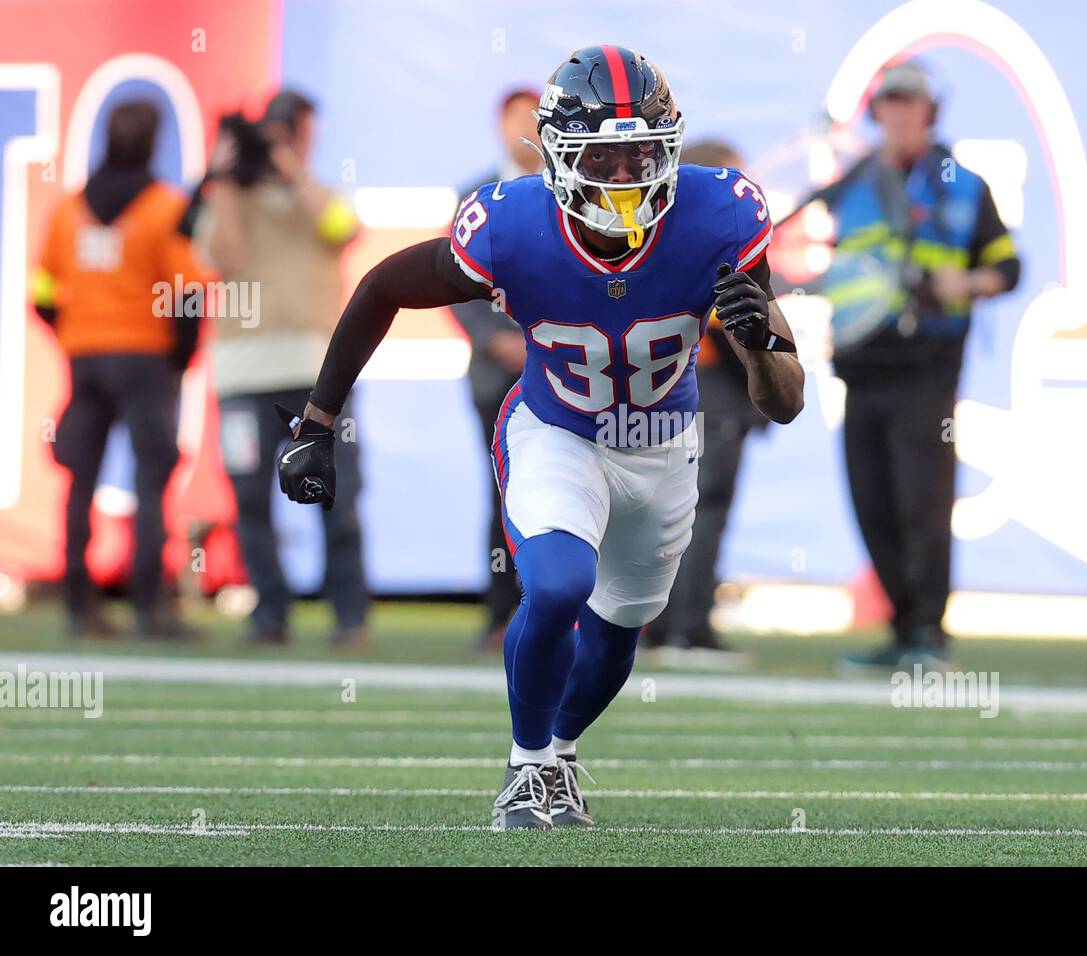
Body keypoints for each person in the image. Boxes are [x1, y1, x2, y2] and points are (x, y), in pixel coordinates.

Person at [276, 46, 805, 829]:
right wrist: (317, 421)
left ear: (669, 147)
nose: (624, 176)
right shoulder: (514, 225)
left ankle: (558, 753)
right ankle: (526, 770)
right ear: (559, 154)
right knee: (556, 583)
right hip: (557, 430)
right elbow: (384, 284)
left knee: (621, 627)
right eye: (604, 155)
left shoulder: (720, 212)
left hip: (662, 444)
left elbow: (785, 403)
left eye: (641, 154)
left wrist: (761, 340)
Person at [826, 62, 1021, 669]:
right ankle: (901, 625)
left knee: (922, 501)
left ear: (929, 111)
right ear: (877, 112)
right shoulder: (854, 180)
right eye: (890, 103)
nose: (901, 113)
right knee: (870, 498)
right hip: (860, 364)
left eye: (911, 103)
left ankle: (929, 634)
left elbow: (1009, 268)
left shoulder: (963, 183)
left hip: (928, 365)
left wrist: (963, 280)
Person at [196, 89, 369, 647]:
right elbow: (221, 260)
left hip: (318, 374)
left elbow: (345, 229)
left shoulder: (317, 195)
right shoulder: (229, 197)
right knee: (249, 498)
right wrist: (223, 182)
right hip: (244, 374)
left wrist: (293, 170)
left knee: (334, 495)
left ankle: (348, 615)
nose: (297, 145)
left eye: (299, 137)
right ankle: (270, 613)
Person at [31, 100, 206, 640]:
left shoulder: (69, 209)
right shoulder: (165, 208)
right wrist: (180, 357)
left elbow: (41, 293)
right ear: (154, 143)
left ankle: (79, 606)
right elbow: (189, 292)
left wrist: (75, 334)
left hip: (84, 358)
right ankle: (150, 607)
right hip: (146, 359)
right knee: (151, 481)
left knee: (80, 482)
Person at [640, 139, 765, 669]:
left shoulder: (654, 232)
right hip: (706, 386)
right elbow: (730, 324)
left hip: (663, 390)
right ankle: (686, 627)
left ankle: (658, 625)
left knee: (670, 508)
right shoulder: (709, 237)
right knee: (702, 507)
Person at [450, 88, 541, 650]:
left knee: (573, 489)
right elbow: (458, 285)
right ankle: (500, 612)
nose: (524, 128)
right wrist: (498, 342)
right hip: (496, 374)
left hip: (564, 370)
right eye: (516, 118)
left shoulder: (571, 193)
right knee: (504, 492)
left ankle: (565, 610)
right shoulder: (476, 197)